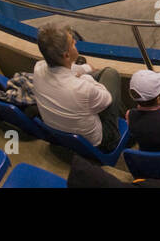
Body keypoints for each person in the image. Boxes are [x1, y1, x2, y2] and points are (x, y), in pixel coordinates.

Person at [31, 22, 126, 152]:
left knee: (94, 73)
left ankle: (126, 117)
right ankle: (122, 133)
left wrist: (85, 69)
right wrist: (86, 77)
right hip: (98, 143)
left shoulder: (38, 68)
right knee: (110, 74)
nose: (75, 42)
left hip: (61, 136)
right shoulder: (82, 88)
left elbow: (71, 71)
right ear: (66, 55)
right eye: (72, 43)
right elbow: (107, 99)